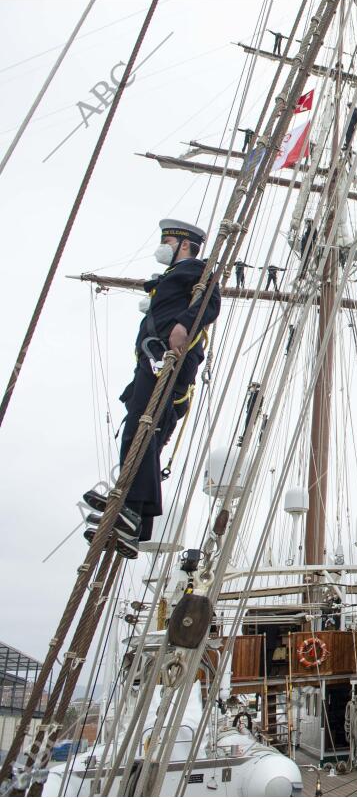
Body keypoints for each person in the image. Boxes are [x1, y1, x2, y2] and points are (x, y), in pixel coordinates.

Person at [85, 219, 221, 554]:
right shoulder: (168, 279)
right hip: (151, 364)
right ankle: (133, 519)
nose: (163, 246)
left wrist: (184, 326)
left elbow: (211, 302)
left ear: (183, 245)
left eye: (169, 240)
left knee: (140, 430)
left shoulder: (195, 269)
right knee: (144, 436)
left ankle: (131, 508)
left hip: (167, 363)